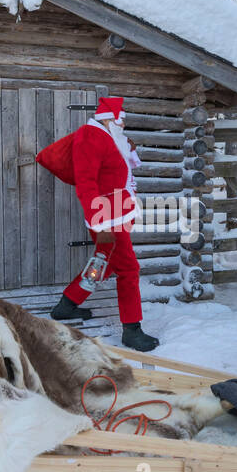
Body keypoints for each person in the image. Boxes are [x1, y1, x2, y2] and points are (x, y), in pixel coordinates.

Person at [48, 96, 159, 352]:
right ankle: (132, 330)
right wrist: (101, 223)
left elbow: (118, 169)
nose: (123, 125)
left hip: (115, 212)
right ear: (109, 118)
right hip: (107, 217)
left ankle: (67, 304)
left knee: (106, 264)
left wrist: (129, 148)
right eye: (120, 120)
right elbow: (86, 184)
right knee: (129, 269)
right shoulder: (91, 136)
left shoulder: (107, 136)